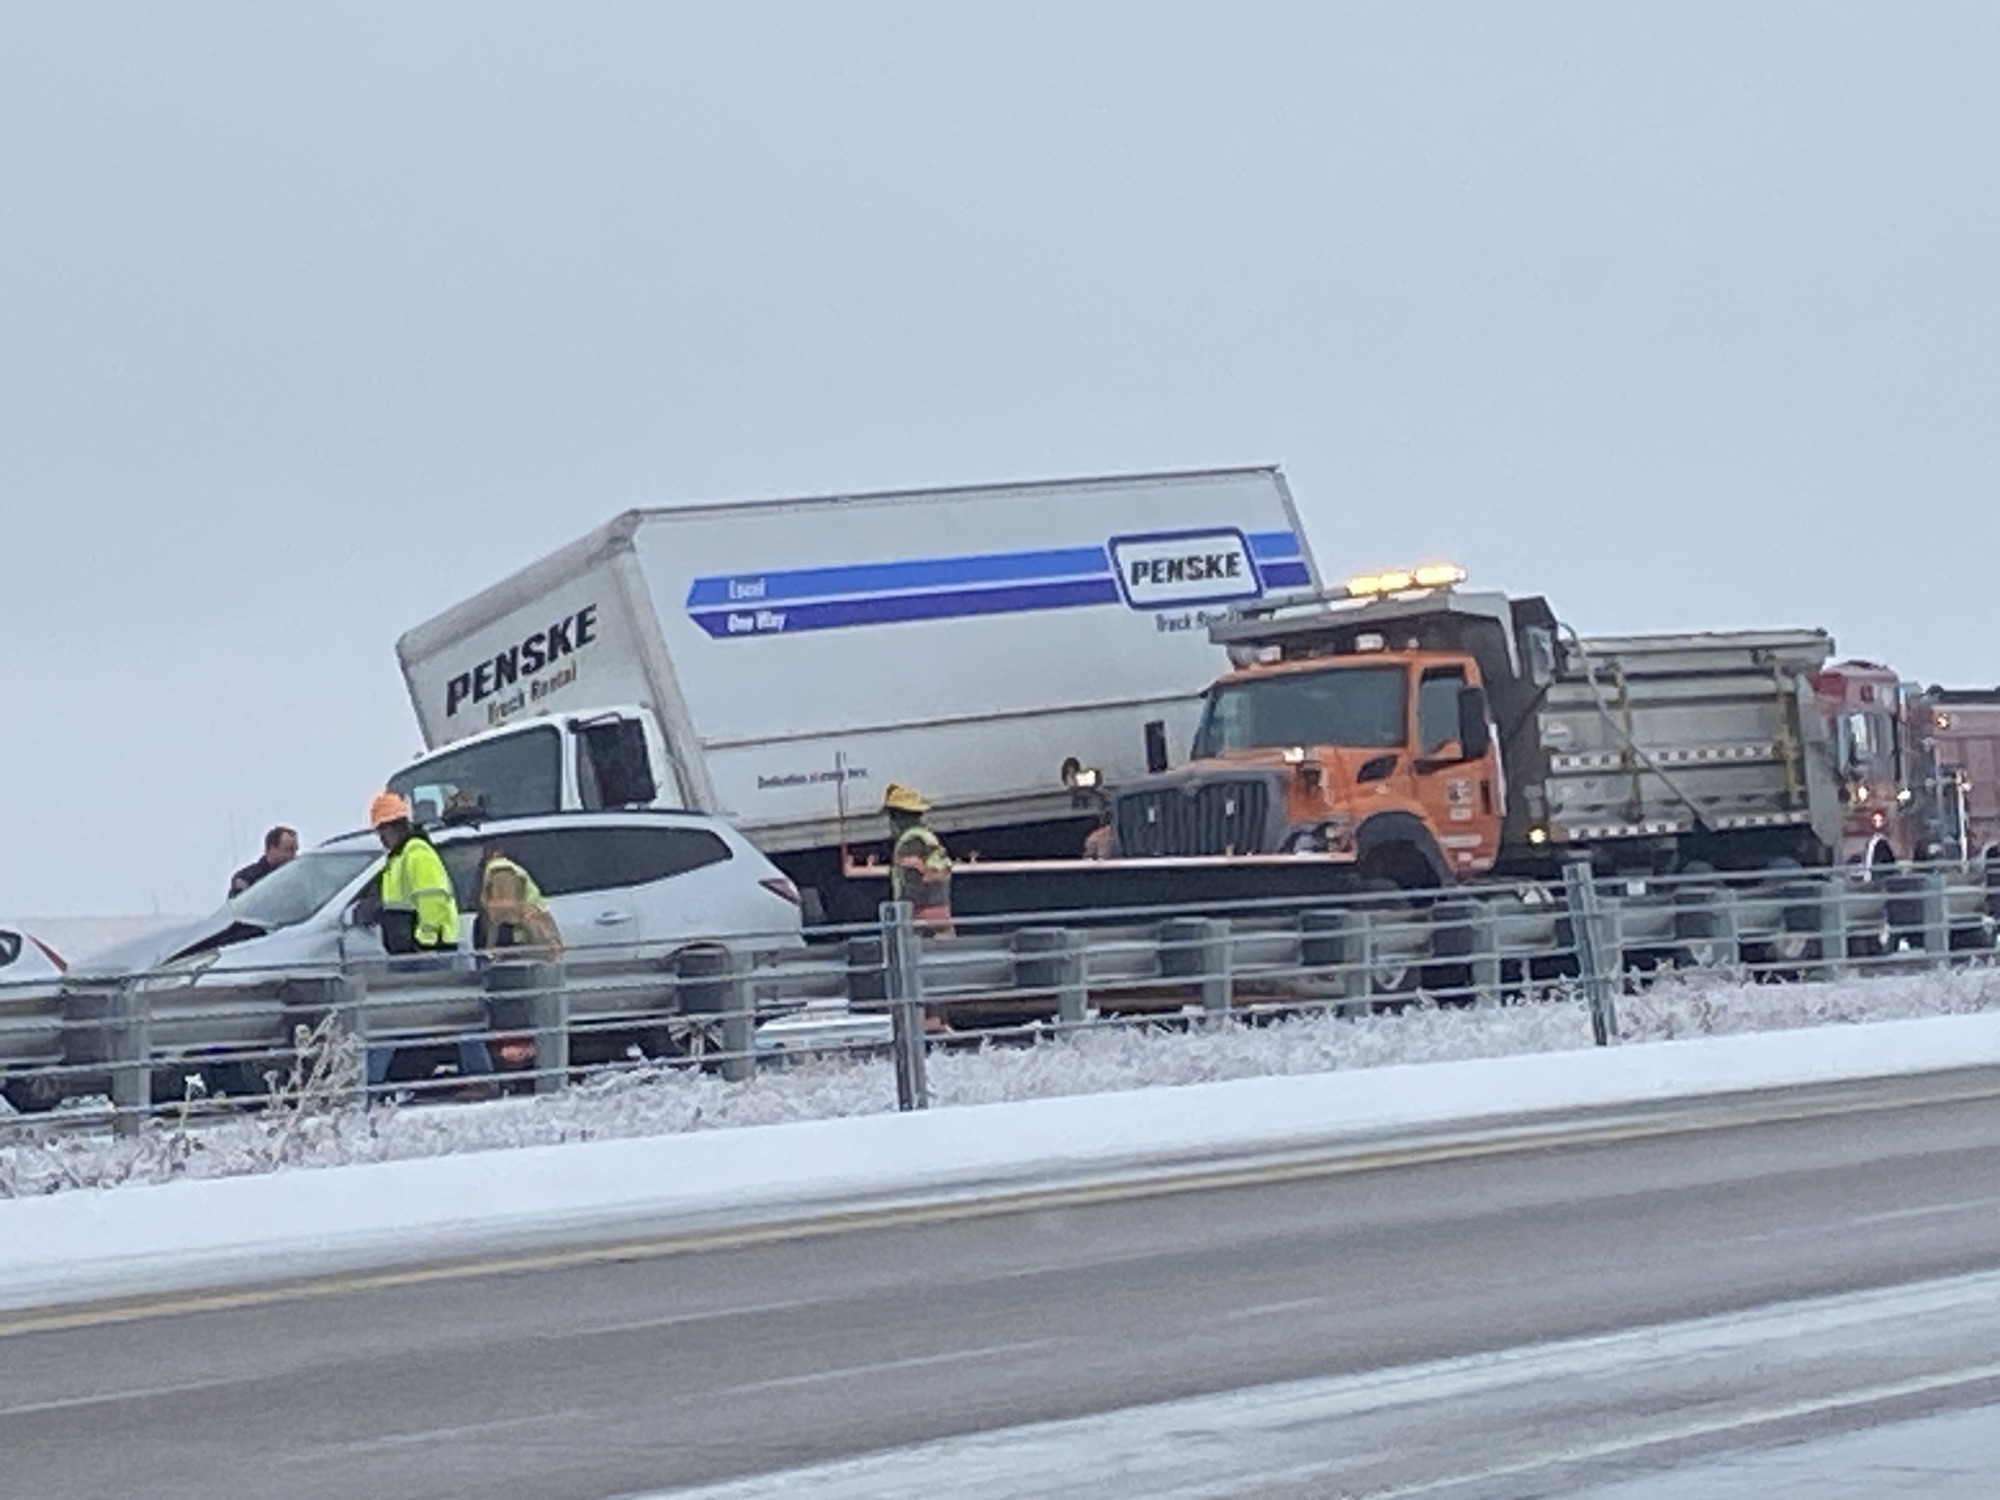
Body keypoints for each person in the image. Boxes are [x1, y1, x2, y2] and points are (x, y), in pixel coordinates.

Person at [363, 790, 494, 1091]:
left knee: (395, 1020)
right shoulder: (401, 857)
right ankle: (482, 1078)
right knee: (451, 1016)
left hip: (426, 953)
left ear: (392, 827)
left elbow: (431, 902)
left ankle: (366, 1087)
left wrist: (424, 943)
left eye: (382, 830)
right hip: (416, 952)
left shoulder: (416, 854)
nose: (380, 837)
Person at [882, 783, 954, 936]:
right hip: (941, 914)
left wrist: (906, 919)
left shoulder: (910, 843)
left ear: (897, 816)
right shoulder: (928, 838)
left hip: (921, 919)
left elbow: (912, 884)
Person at [475, 841, 563, 955]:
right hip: (525, 935)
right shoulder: (502, 868)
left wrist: (485, 906)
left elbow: (506, 904)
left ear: (495, 851)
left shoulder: (501, 869)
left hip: (521, 938)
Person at [229, 826, 298, 898]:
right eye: (288, 849)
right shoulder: (246, 878)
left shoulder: (299, 879)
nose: (293, 855)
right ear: (272, 849)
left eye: (295, 850)